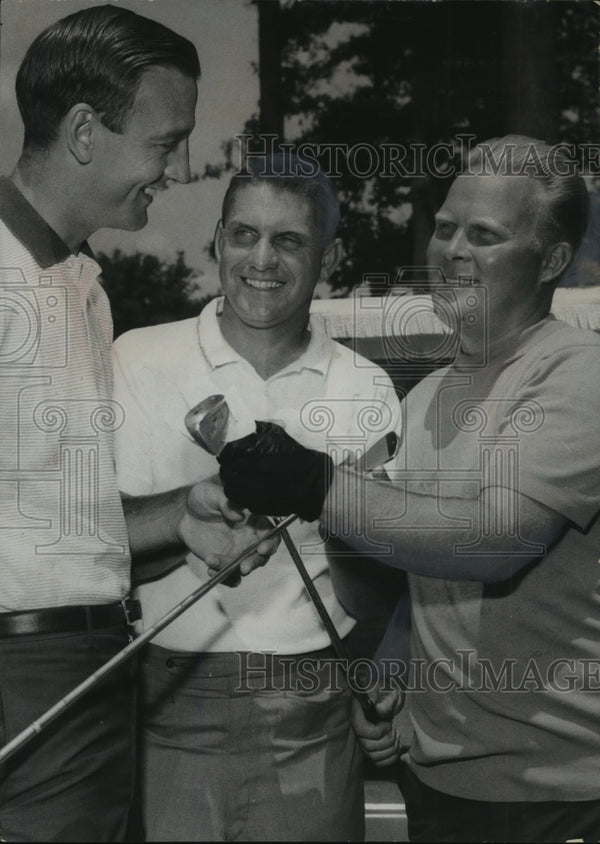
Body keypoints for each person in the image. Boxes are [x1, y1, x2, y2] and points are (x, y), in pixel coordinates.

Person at [218, 136, 600, 842]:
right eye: (446, 227)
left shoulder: (579, 373)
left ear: (549, 261)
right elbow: (420, 586)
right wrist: (391, 674)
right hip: (440, 785)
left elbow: (492, 541)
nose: (452, 250)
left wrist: (316, 484)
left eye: (484, 236)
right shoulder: (425, 398)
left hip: (559, 791)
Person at [0, 7, 275, 841]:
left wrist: (183, 516)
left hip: (88, 670)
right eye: (165, 142)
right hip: (27, 674)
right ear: (86, 130)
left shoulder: (84, 282)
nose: (176, 167)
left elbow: (54, 526)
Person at [112, 152, 402, 841]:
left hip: (313, 709)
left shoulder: (365, 387)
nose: (261, 259)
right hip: (166, 701)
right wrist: (187, 521)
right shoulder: (139, 357)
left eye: (289, 240)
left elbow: (375, 594)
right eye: (244, 235)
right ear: (217, 240)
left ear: (325, 257)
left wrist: (337, 512)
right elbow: (100, 552)